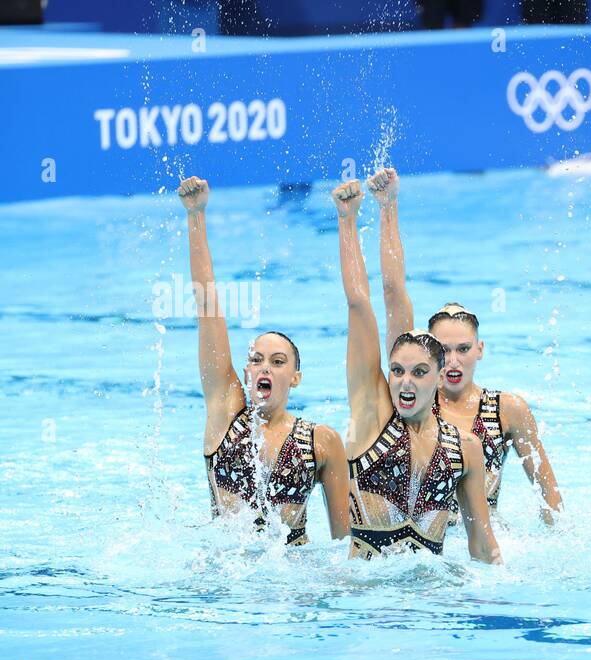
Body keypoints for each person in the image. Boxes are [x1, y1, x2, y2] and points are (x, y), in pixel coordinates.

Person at [367, 167, 563, 526]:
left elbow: (549, 497)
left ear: (480, 350)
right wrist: (387, 206)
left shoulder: (508, 410)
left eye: (463, 349)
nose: (454, 360)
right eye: (444, 351)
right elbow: (393, 294)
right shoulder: (411, 398)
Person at [333, 178, 501, 562]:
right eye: (396, 370)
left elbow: (483, 544)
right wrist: (347, 219)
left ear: (440, 378)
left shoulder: (465, 447)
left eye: (419, 372)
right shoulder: (372, 417)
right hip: (363, 602)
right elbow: (360, 304)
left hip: (435, 603)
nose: (405, 381)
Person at [178, 175, 349, 545]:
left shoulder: (322, 441)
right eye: (256, 360)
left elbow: (343, 544)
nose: (265, 368)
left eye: (277, 361)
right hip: (229, 575)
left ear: (296, 377)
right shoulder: (225, 416)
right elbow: (207, 308)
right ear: (246, 372)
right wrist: (196, 216)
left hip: (293, 575)